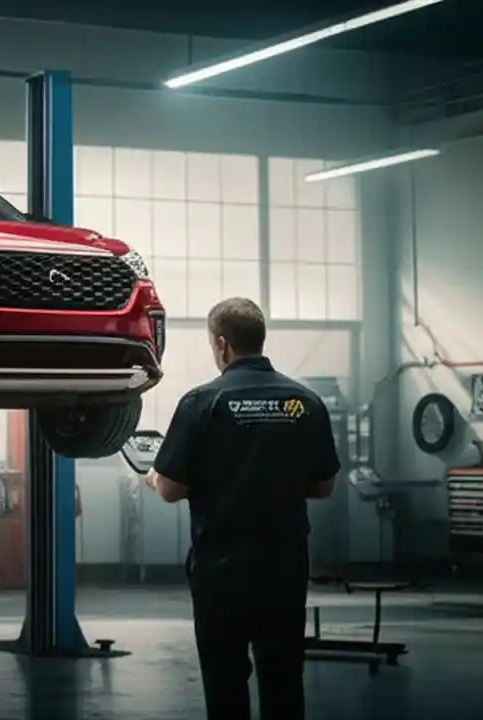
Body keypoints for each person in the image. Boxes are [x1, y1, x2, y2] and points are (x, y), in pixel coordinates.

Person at [145, 297, 340, 720]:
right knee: (283, 675)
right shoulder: (304, 402)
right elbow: (324, 486)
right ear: (259, 339)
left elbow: (171, 490)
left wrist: (154, 477)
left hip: (222, 567)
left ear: (221, 344)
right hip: (285, 564)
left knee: (224, 677)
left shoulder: (201, 403)